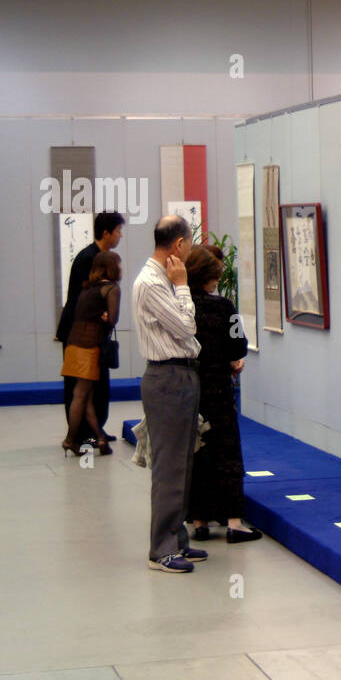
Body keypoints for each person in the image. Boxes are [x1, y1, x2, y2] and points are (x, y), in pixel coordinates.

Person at [133, 214, 208, 574]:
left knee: (184, 463)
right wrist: (183, 284)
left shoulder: (161, 279)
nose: (190, 250)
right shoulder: (152, 282)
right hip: (167, 378)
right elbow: (186, 326)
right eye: (189, 243)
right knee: (169, 467)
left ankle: (177, 539)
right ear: (178, 245)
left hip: (180, 376)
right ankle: (161, 550)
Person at [184, 245, 261, 544]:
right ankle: (233, 522)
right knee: (227, 452)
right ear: (212, 276)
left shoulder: (181, 307)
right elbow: (237, 347)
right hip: (219, 388)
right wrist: (232, 362)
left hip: (190, 388)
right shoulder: (224, 307)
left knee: (198, 452)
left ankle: (199, 521)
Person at [57, 212, 125, 445]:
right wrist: (103, 316)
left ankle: (94, 431)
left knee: (93, 388)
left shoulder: (96, 256)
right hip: (84, 334)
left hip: (88, 333)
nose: (120, 235)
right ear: (106, 233)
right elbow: (82, 300)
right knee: (81, 389)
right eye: (118, 231)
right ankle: (80, 433)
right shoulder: (90, 258)